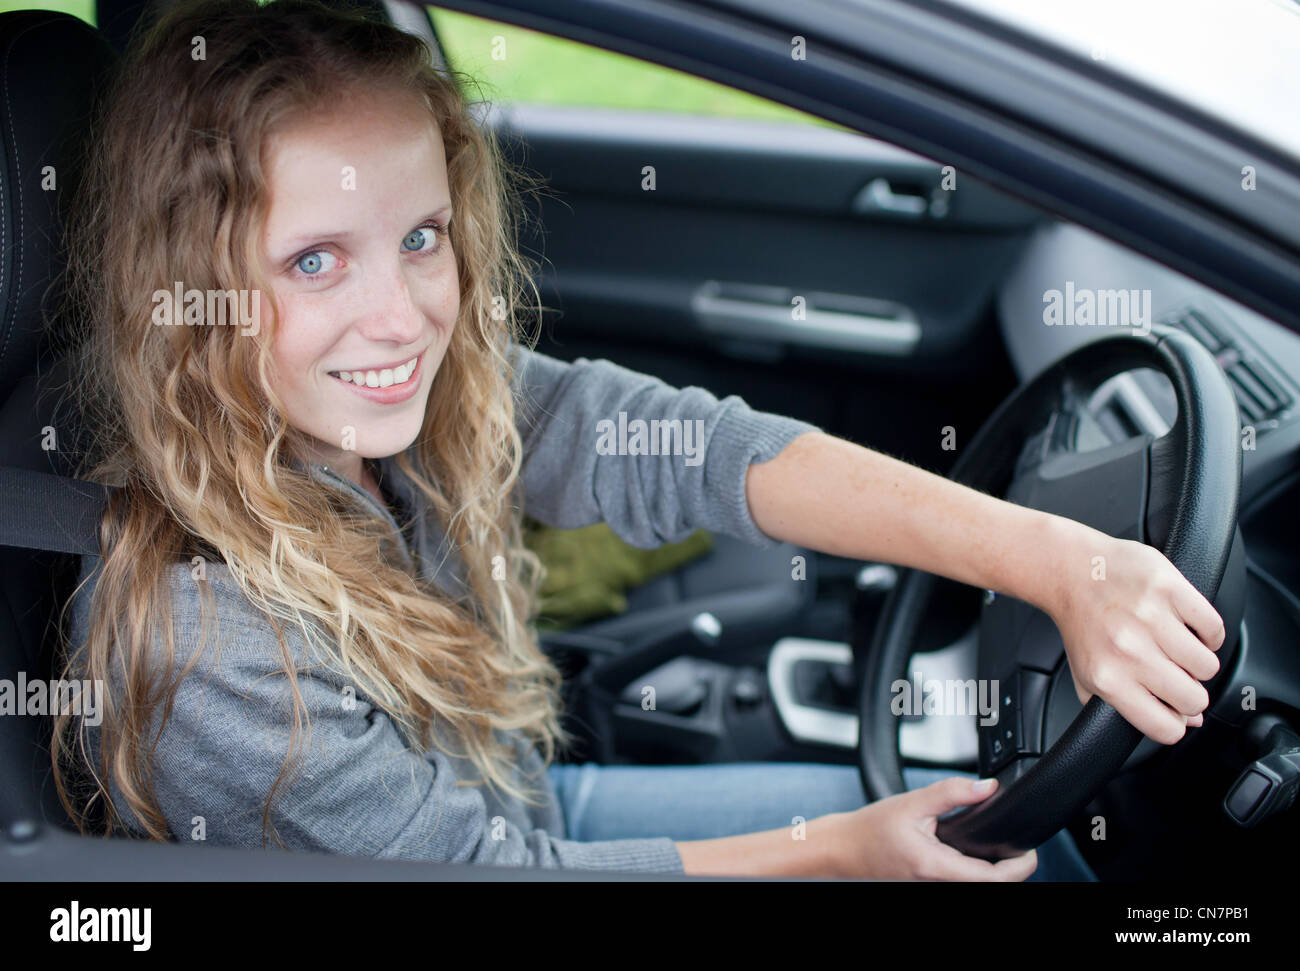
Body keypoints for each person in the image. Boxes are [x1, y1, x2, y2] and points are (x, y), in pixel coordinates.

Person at [53, 0, 1224, 881]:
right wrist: (838, 851)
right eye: (314, 260)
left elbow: (694, 449)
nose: (402, 317)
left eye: (421, 236)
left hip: (530, 807)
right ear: (186, 286)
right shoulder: (204, 638)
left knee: (1031, 840)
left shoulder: (397, 406)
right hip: (514, 856)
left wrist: (1053, 559)